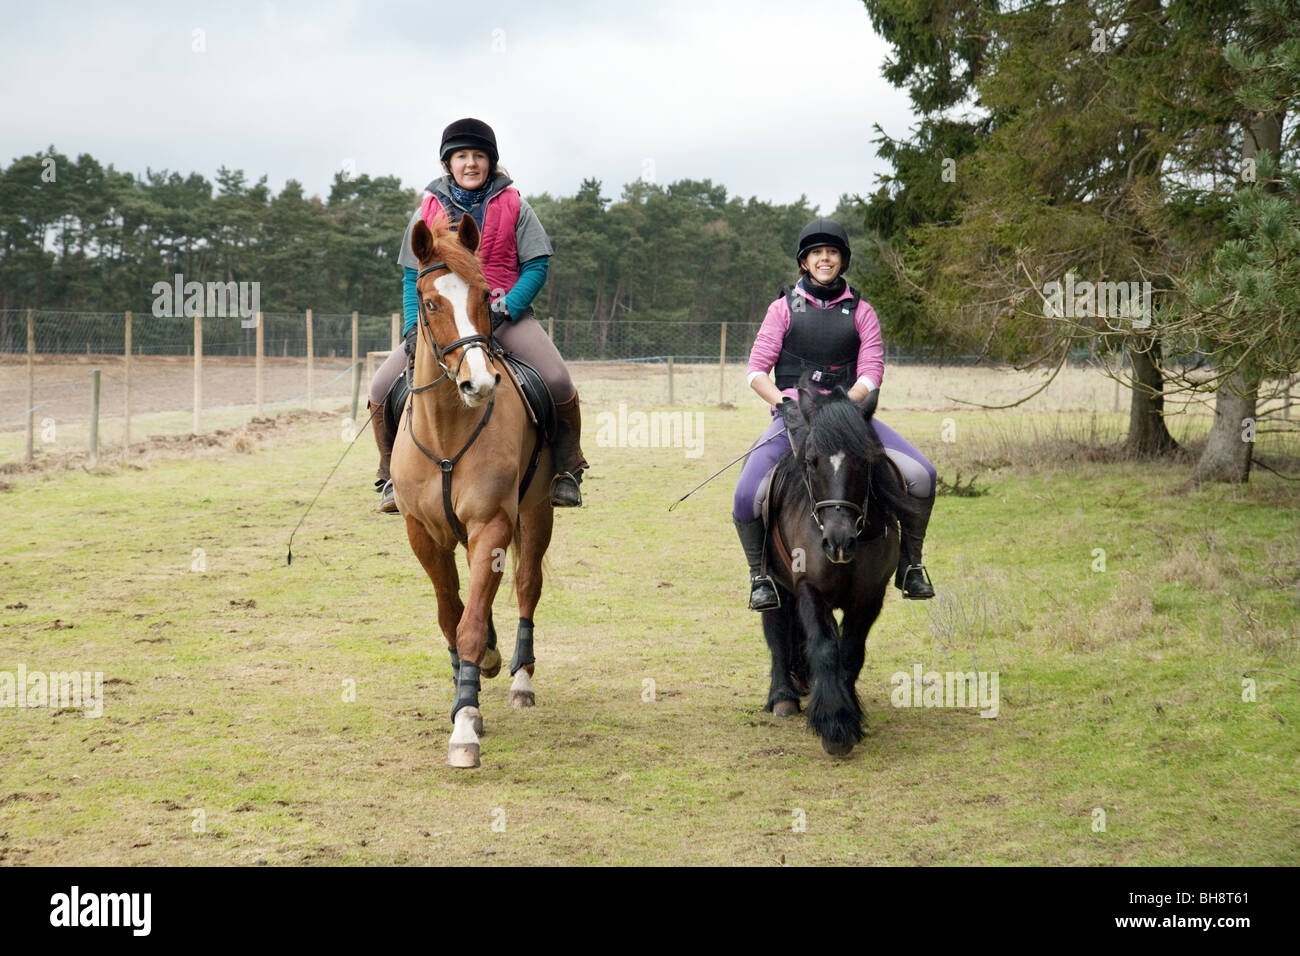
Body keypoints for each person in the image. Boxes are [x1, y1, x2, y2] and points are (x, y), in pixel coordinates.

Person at [367, 117, 588, 512]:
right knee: (381, 389)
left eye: (479, 156)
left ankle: (566, 470)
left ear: (491, 162)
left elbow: (537, 265)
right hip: (445, 322)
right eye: (462, 156)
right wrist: (413, 327)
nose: (471, 163)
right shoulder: (425, 211)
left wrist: (508, 307)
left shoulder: (516, 205)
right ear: (448, 164)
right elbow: (409, 277)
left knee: (556, 380)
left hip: (506, 313)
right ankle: (389, 476)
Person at [733, 218, 937, 607]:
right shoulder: (781, 309)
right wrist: (784, 404)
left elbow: (871, 371)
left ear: (842, 261)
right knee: (746, 494)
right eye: (817, 253)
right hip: (794, 416)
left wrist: (849, 404)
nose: (825, 259)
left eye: (832, 253)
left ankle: (911, 565)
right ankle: (761, 578)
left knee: (922, 474)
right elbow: (756, 371)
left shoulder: (862, 311)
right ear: (805, 262)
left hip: (848, 419)